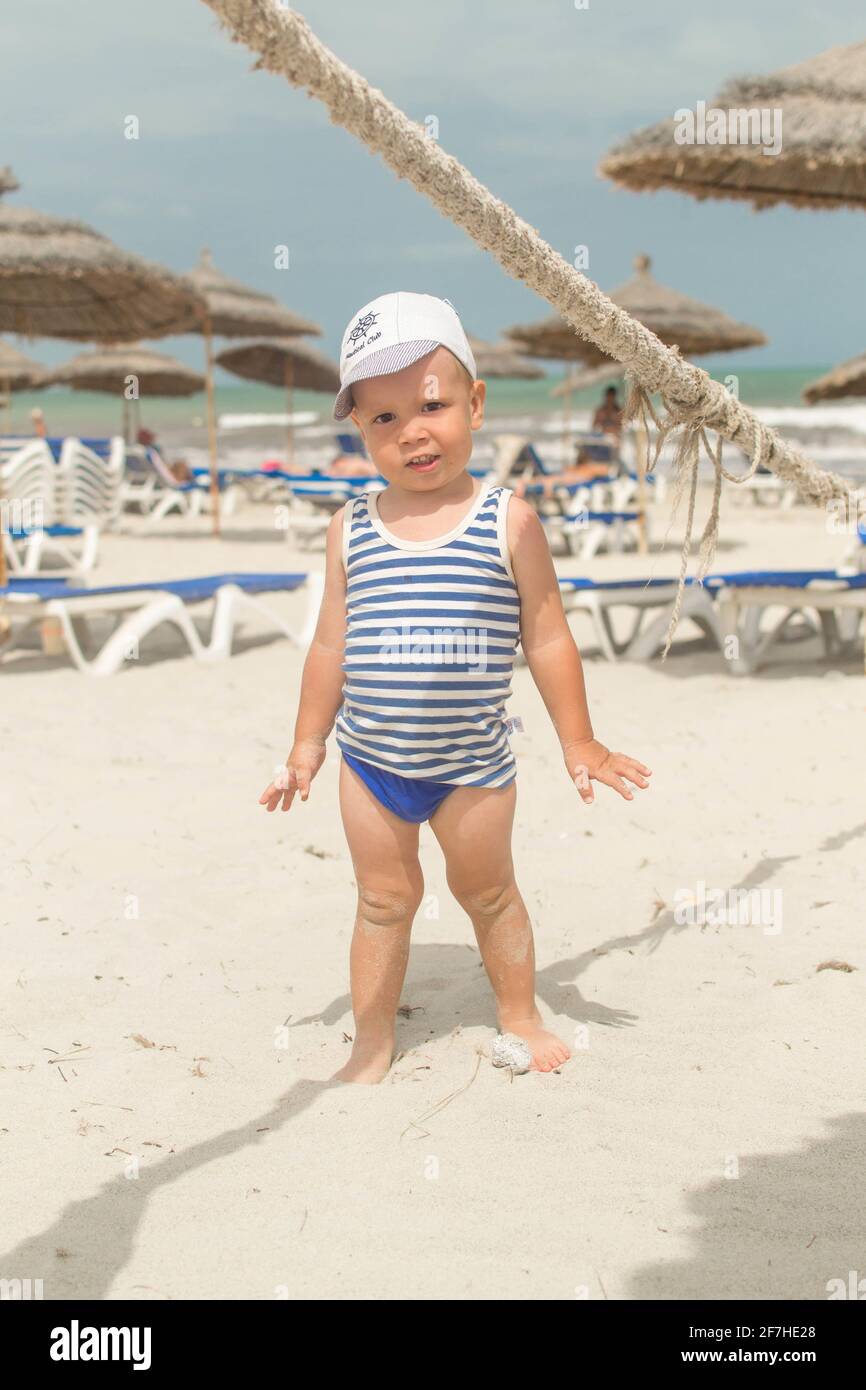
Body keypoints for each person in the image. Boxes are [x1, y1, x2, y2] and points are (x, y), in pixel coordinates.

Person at [258, 292, 651, 1085]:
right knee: (381, 901)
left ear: (474, 403)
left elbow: (546, 636)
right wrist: (307, 744)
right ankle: (371, 1043)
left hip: (472, 764)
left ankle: (519, 1011)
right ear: (361, 430)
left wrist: (579, 740)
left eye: (432, 405)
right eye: (383, 419)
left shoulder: (508, 520)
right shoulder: (351, 526)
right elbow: (330, 643)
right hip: (369, 763)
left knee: (489, 892)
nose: (412, 431)